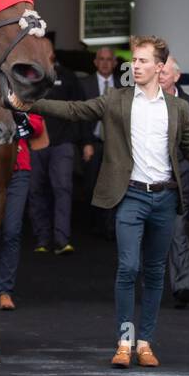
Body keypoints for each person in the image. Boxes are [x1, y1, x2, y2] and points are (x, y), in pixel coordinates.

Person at [10, 35, 189, 369]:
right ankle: (124, 341)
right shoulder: (115, 100)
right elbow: (75, 110)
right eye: (133, 61)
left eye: (143, 61)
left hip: (165, 197)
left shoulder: (178, 108)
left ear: (160, 67)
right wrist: (29, 103)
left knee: (153, 273)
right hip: (131, 194)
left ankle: (145, 342)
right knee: (128, 268)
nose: (135, 66)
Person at [28, 50, 93, 255]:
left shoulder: (67, 76)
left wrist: (86, 142)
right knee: (36, 191)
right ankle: (42, 238)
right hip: (35, 141)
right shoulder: (26, 75)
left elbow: (81, 109)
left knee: (62, 189)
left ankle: (61, 240)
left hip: (62, 142)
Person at [159, 56, 189, 309]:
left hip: (181, 182)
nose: (160, 75)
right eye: (158, 70)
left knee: (178, 234)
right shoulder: (143, 101)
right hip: (150, 180)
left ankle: (182, 287)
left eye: (165, 71)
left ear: (177, 76)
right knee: (153, 238)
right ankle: (154, 288)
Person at [0, 110, 45, 311]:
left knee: (12, 231)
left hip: (18, 172)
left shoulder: (19, 90)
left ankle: (4, 290)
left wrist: (18, 113)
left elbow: (38, 125)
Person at [81, 46, 123, 240]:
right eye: (102, 59)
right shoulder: (85, 84)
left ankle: (110, 226)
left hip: (116, 144)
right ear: (95, 62)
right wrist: (86, 142)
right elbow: (79, 115)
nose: (105, 62)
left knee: (114, 184)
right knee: (92, 185)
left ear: (114, 63)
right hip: (94, 142)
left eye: (109, 59)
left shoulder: (123, 86)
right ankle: (95, 225)